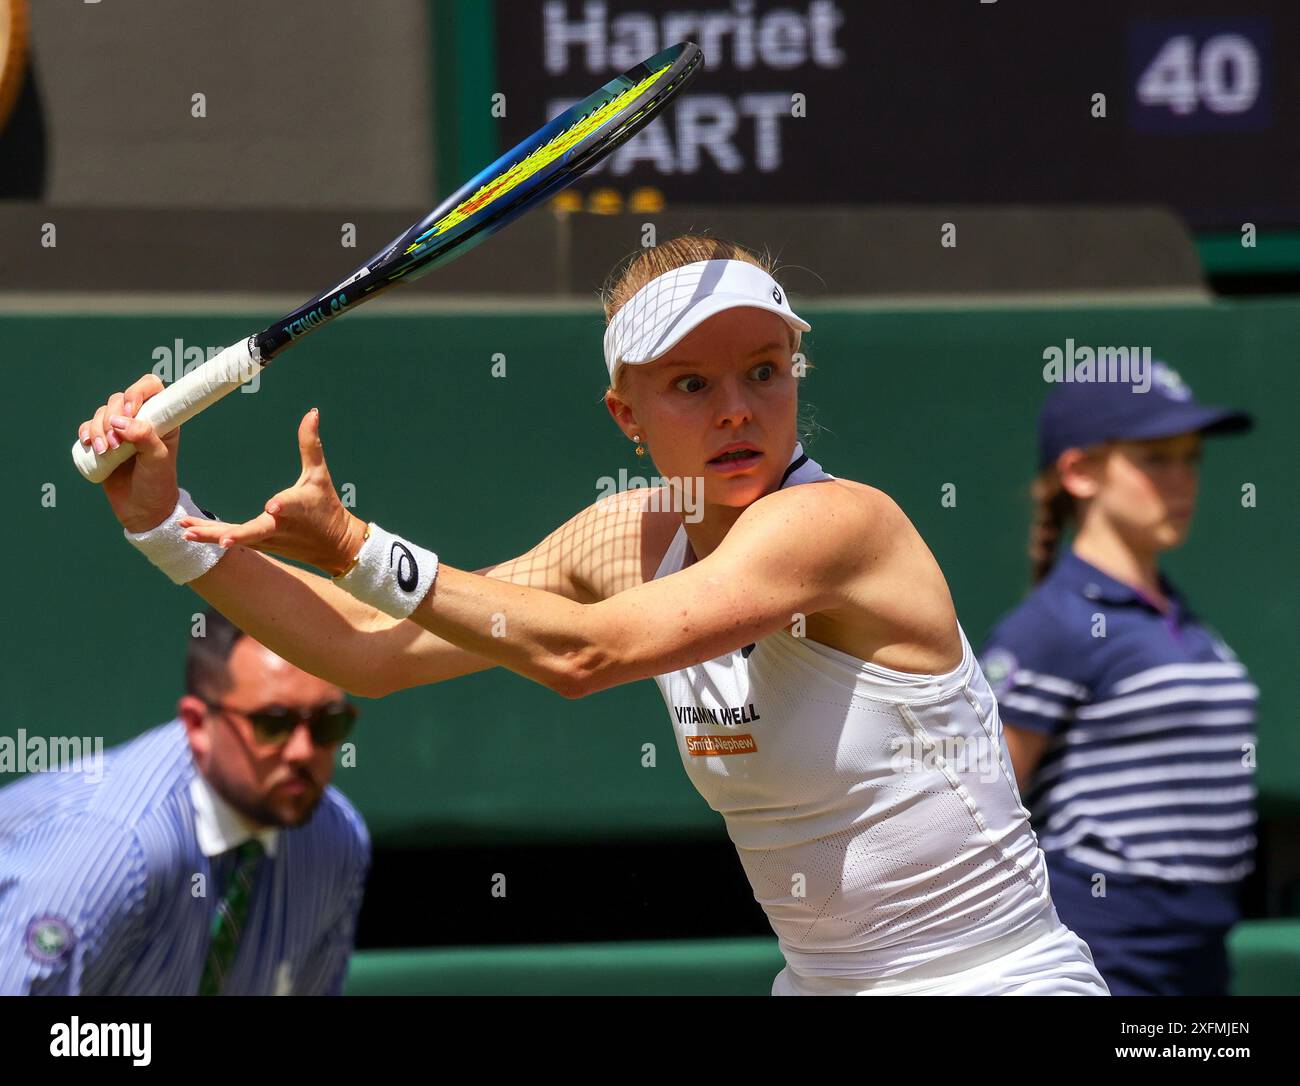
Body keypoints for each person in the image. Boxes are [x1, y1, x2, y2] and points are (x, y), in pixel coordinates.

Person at [78, 235, 1106, 995]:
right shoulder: (621, 538)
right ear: (627, 414)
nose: (737, 408)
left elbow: (587, 655)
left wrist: (355, 548)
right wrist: (164, 519)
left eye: (763, 370)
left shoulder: (838, 526)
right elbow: (367, 654)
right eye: (690, 384)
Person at [979, 362, 1256, 995]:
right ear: (1079, 473)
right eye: (1156, 459)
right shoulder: (1052, 626)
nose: (1182, 480)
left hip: (1202, 951)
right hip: (1102, 949)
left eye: (1191, 458)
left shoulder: (1183, 619)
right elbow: (984, 807)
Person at [0, 608, 369, 995]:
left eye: (328, 723)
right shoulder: (116, 848)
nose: (302, 751)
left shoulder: (336, 839)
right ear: (197, 724)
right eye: (272, 724)